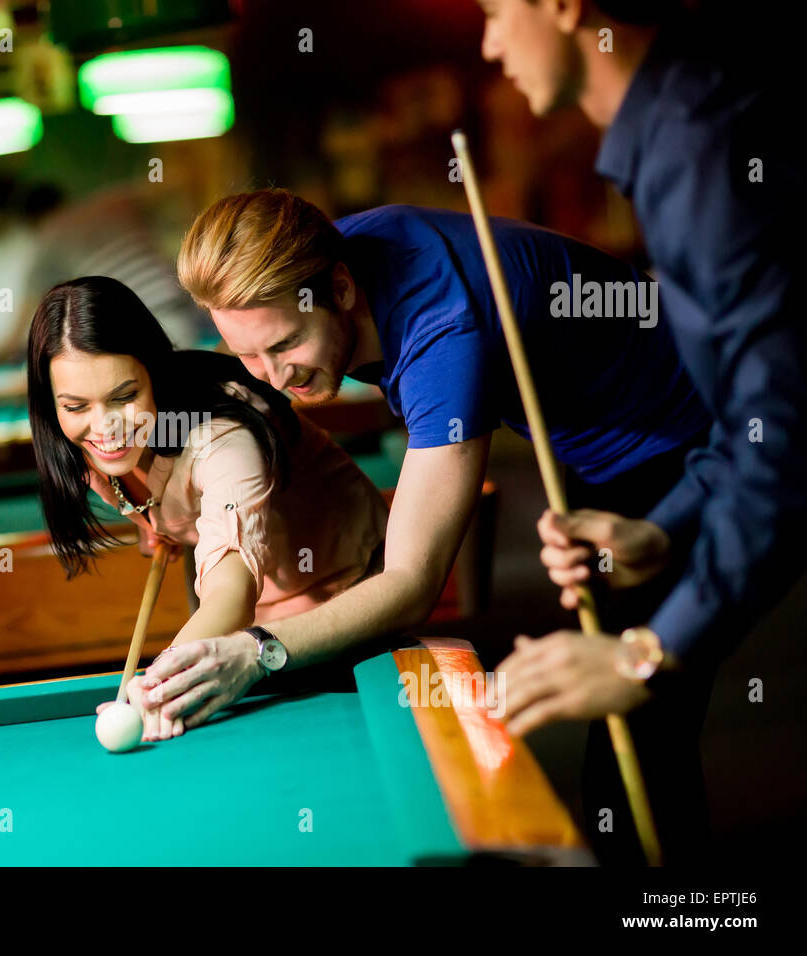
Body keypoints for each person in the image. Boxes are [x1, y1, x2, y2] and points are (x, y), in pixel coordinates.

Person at [131, 187, 710, 745]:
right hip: (589, 433)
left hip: (686, 435)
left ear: (340, 287)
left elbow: (411, 584)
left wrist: (255, 650)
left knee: (638, 725)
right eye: (248, 354)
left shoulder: (443, 334)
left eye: (285, 346)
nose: (274, 376)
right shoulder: (318, 255)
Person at [478, 0, 804, 862]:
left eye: (494, 10)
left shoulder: (702, 139)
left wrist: (648, 654)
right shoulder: (684, 126)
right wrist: (662, 531)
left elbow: (788, 434)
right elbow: (756, 417)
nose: (489, 42)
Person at [27, 276, 388, 740]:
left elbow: (230, 593)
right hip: (257, 630)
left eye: (124, 396)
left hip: (347, 601)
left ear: (154, 374)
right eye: (76, 405)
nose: (105, 428)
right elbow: (149, 492)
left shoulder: (220, 440)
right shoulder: (80, 444)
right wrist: (154, 523)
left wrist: (157, 684)